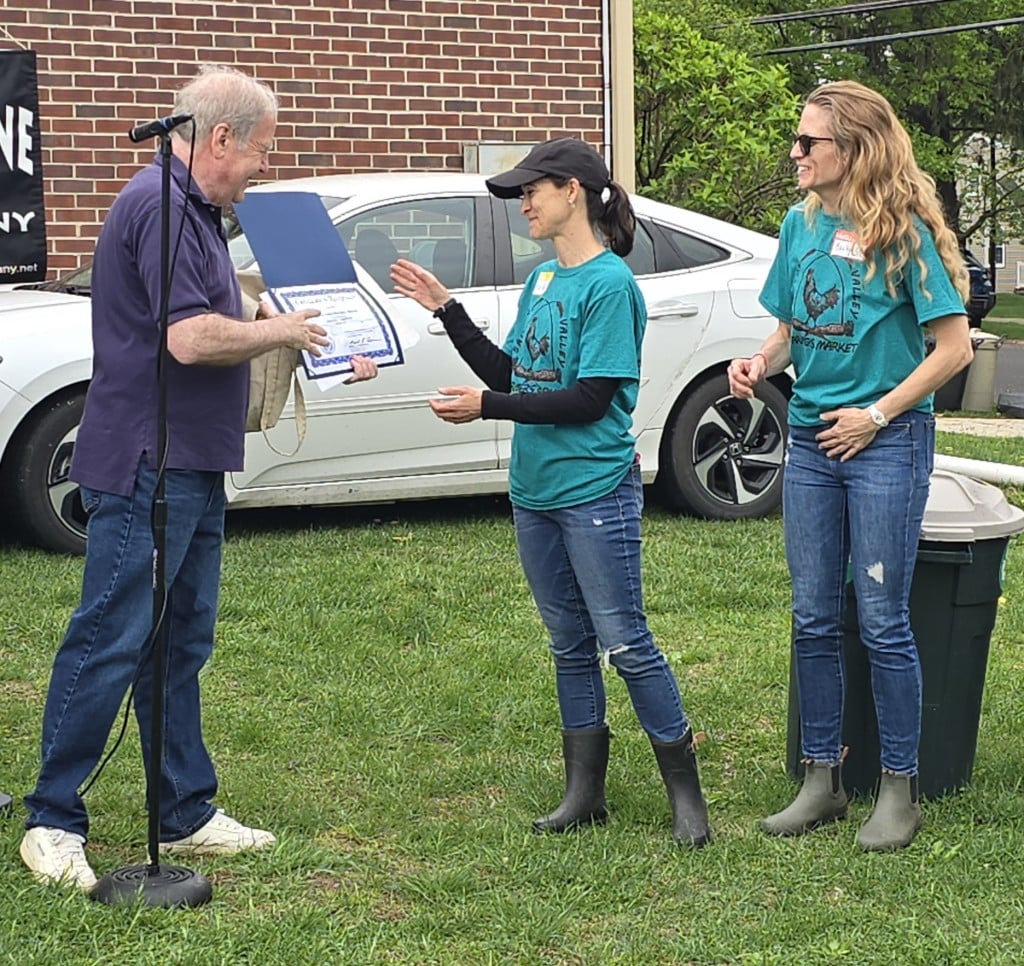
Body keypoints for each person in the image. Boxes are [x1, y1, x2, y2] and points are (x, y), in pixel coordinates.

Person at [20, 65, 378, 891]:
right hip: (149, 462)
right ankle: (51, 818)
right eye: (261, 151)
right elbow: (186, 339)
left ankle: (182, 812)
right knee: (111, 637)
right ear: (220, 138)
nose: (263, 167)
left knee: (178, 642)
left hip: (192, 460)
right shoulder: (160, 206)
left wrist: (308, 334)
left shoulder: (198, 216)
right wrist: (280, 325)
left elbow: (220, 313)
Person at [391, 137, 711, 847]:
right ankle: (584, 794)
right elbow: (516, 376)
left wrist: (486, 408)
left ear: (572, 191)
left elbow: (590, 399)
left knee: (625, 642)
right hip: (534, 491)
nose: (523, 205)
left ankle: (687, 798)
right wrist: (448, 311)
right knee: (569, 643)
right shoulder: (543, 282)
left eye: (531, 192)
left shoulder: (610, 286)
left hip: (594, 491)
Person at [729, 81, 972, 851]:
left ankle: (900, 791)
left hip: (886, 446)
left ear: (854, 148)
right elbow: (795, 330)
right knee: (813, 615)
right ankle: (820, 782)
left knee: (882, 618)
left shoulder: (904, 233)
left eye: (809, 143)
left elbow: (954, 350)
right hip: (811, 443)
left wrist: (876, 416)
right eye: (797, 141)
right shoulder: (799, 226)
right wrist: (759, 360)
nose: (795, 154)